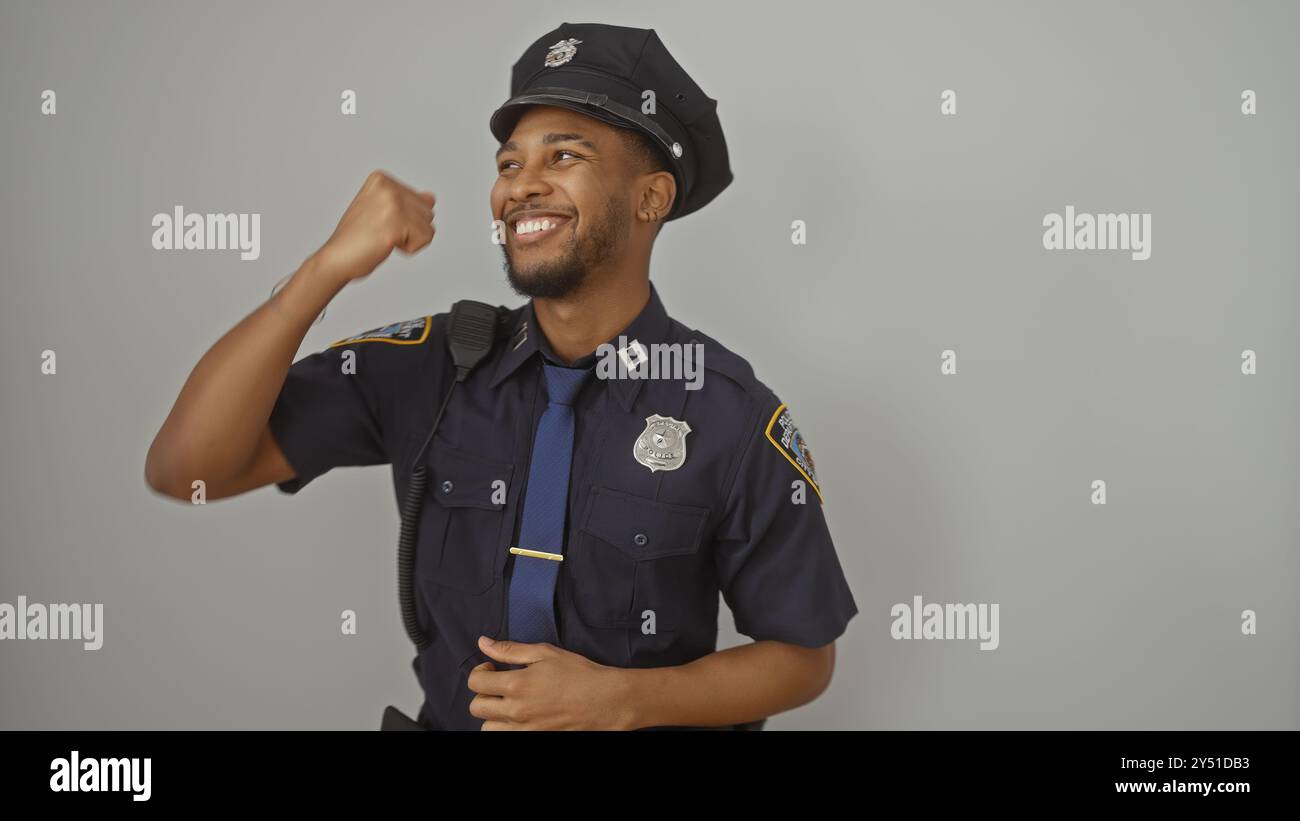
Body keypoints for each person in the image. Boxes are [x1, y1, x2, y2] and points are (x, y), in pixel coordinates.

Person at [145, 22, 857, 730]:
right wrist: (325, 269)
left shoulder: (728, 412)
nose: (521, 188)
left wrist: (621, 701)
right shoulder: (432, 367)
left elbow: (802, 656)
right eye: (509, 164)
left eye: (564, 156)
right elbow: (186, 468)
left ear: (651, 198)